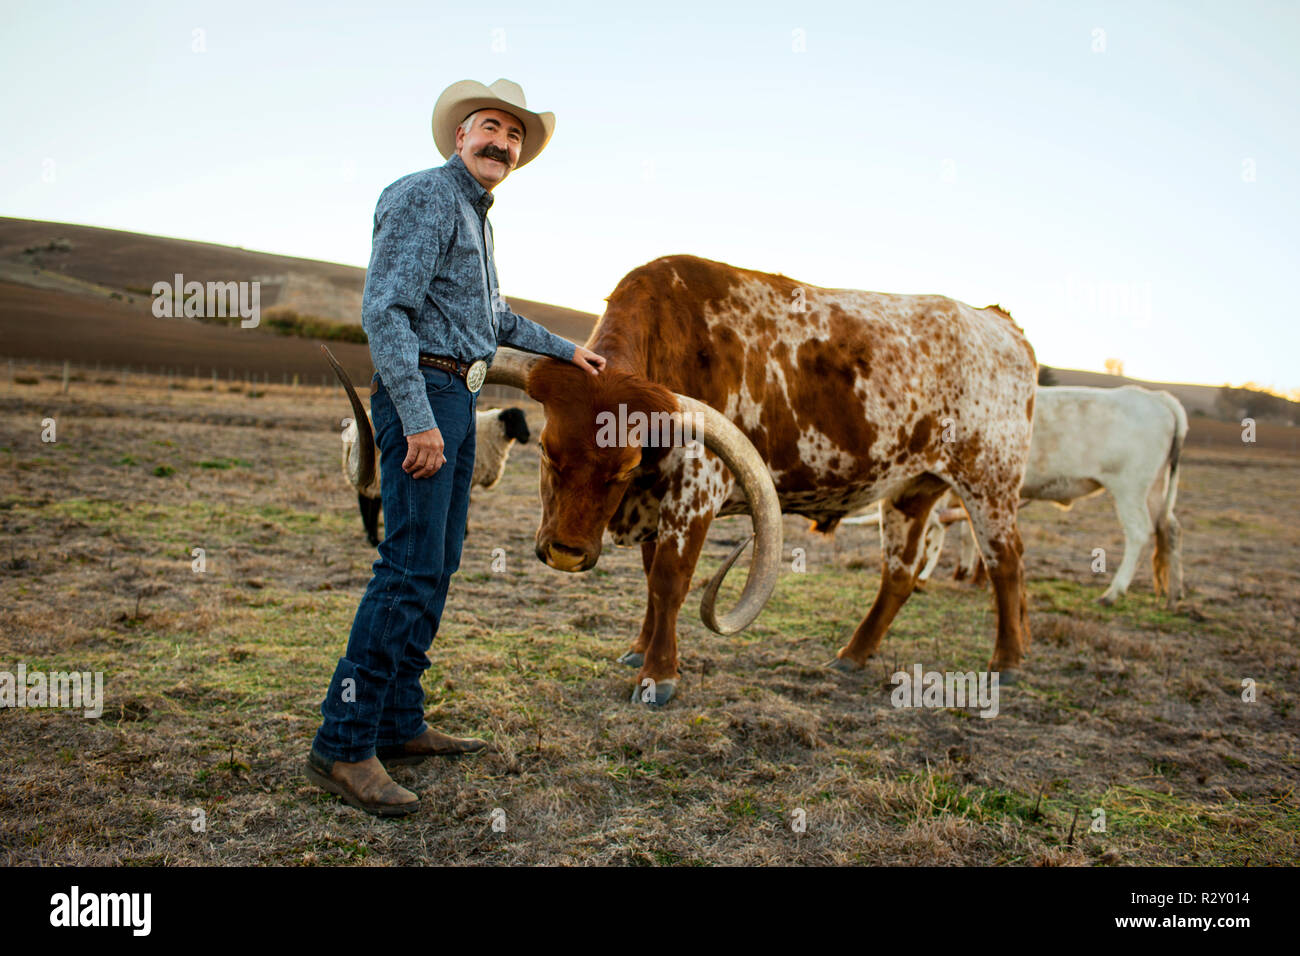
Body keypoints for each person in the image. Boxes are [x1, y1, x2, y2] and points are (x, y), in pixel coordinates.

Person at [306, 78, 606, 816]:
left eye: (514, 136)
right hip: (426, 395)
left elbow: (493, 317)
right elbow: (386, 311)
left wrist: (567, 349)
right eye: (490, 127)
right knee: (407, 567)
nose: (502, 143)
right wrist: (418, 420)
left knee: (435, 565)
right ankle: (344, 743)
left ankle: (399, 721)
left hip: (460, 395)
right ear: (460, 135)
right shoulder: (425, 196)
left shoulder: (475, 216)